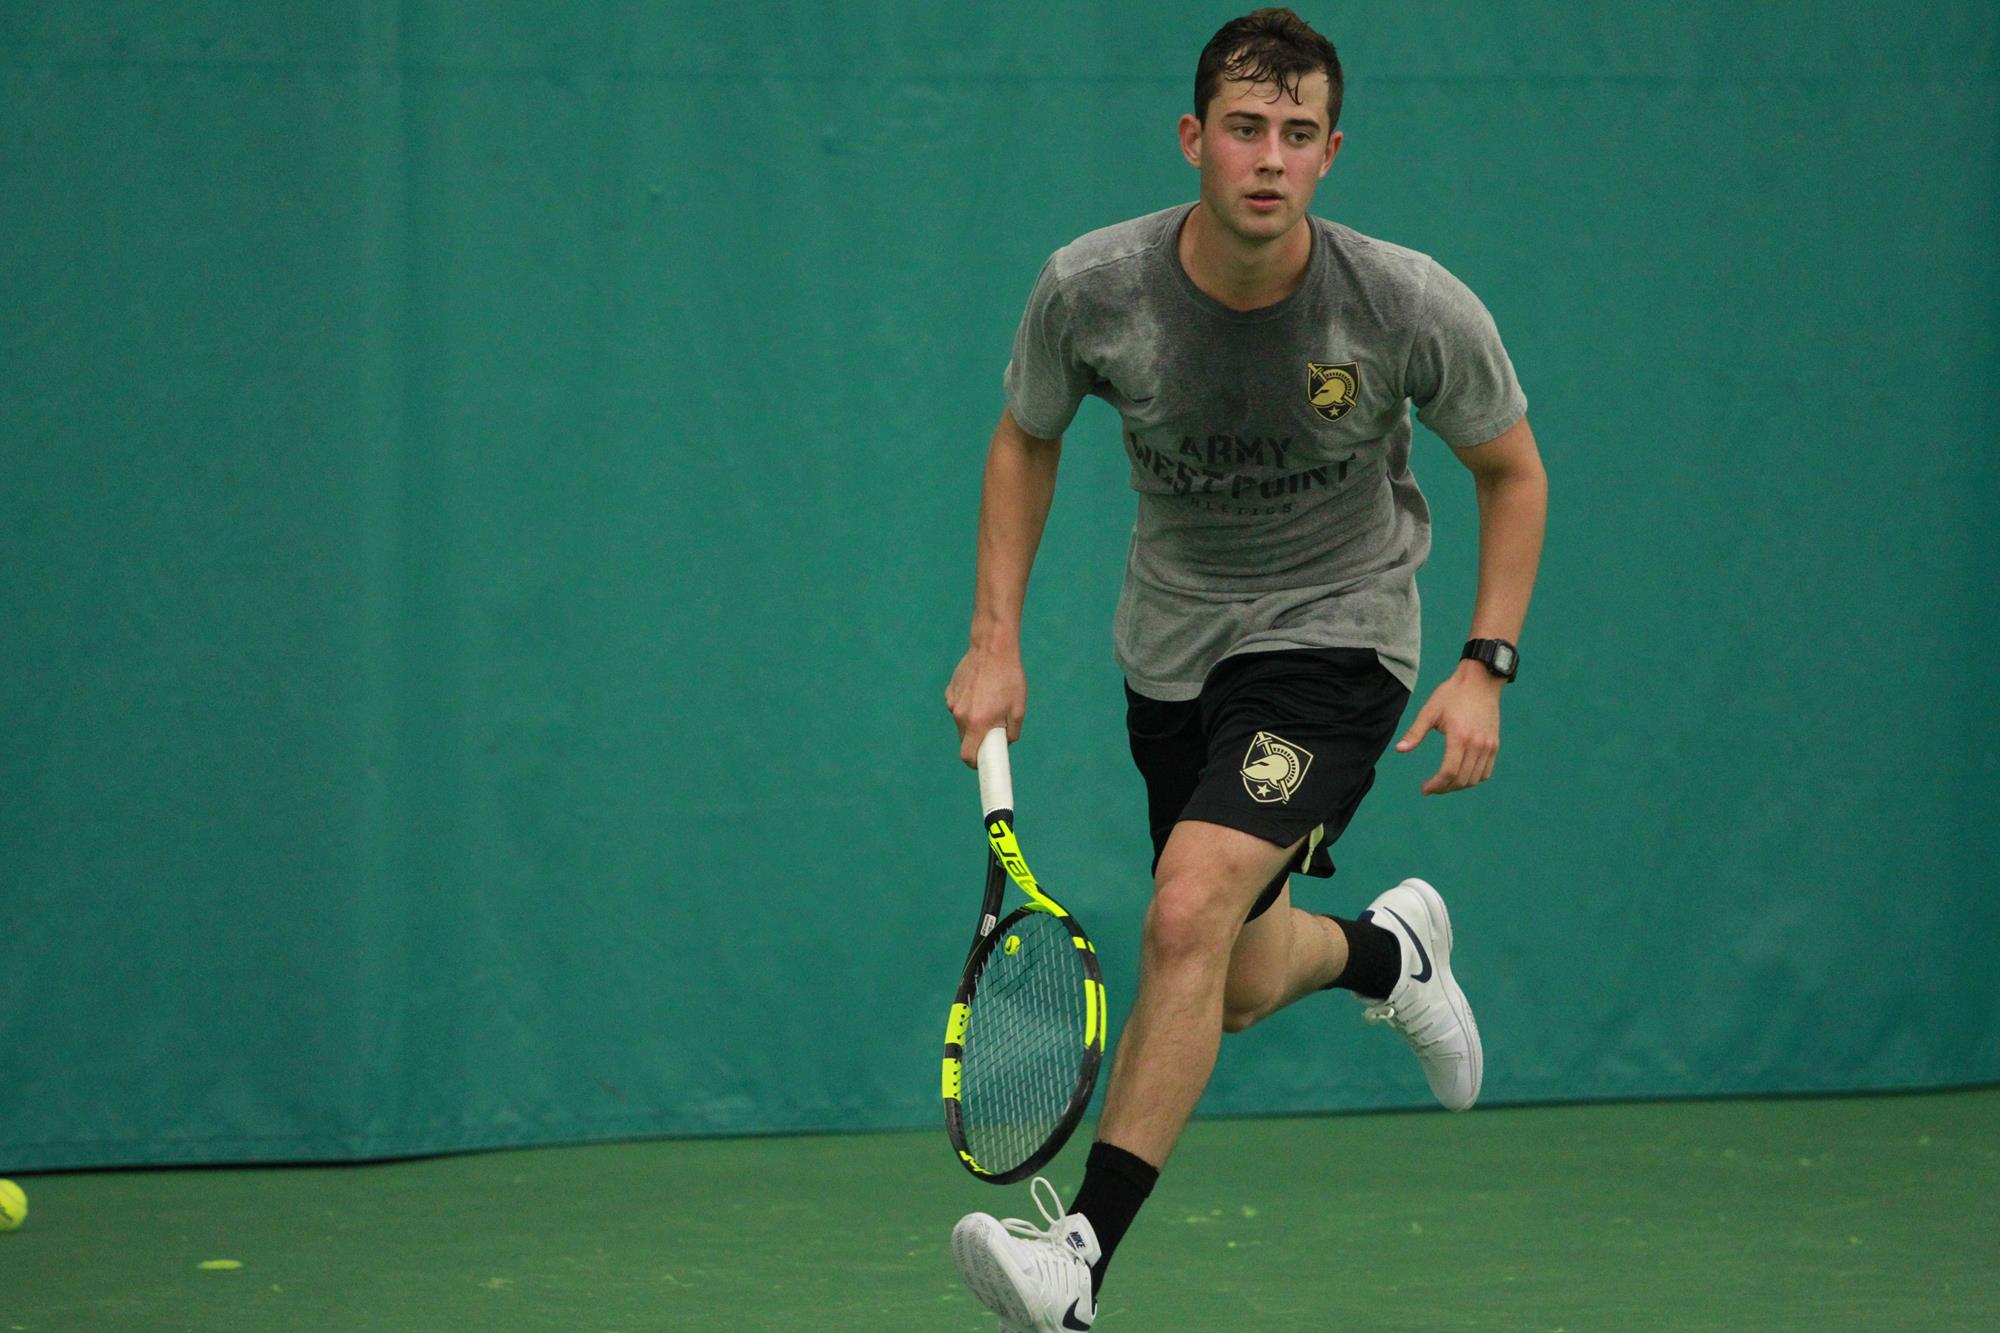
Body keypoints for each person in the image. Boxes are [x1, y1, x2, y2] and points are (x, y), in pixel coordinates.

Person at [942, 8, 1547, 1329]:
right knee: (1237, 975)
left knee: (1182, 909)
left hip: (1339, 636)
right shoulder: (1092, 290)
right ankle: (1387, 956)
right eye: (1244, 128)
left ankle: (1079, 1257)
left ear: (1331, 151)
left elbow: (1512, 470)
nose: (1270, 157)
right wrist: (994, 639)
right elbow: (1025, 436)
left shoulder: (1402, 303)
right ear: (1193, 139)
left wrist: (1484, 662)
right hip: (1172, 654)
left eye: (1298, 133)